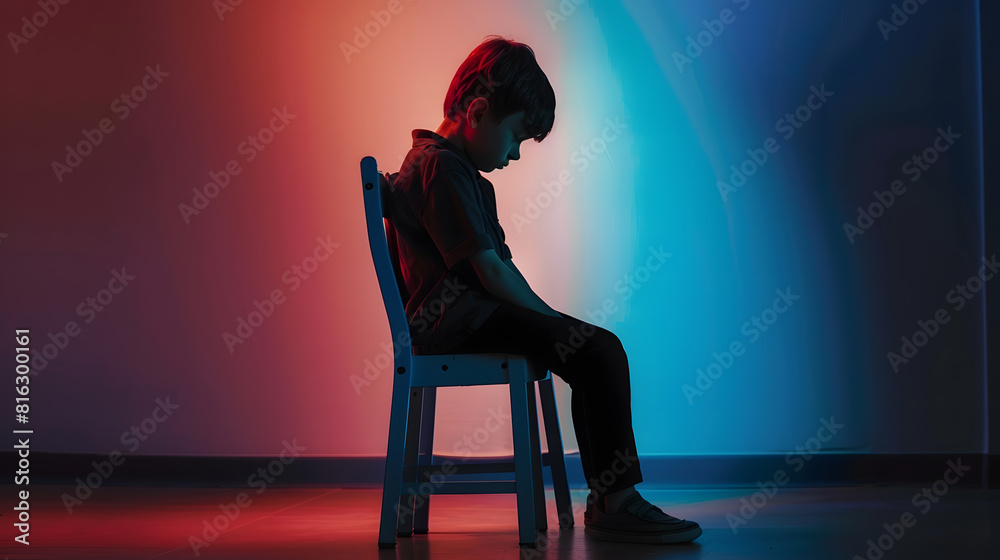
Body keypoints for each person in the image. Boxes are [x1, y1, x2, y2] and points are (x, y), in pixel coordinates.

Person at [384, 35, 702, 545]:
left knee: (590, 349)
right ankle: (615, 502)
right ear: (479, 111)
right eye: (514, 138)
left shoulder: (455, 170)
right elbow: (492, 273)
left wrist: (554, 324)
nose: (513, 155)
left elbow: (499, 272)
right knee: (598, 350)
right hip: (459, 323)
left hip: (468, 318)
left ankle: (609, 499)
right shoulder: (439, 166)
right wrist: (556, 324)